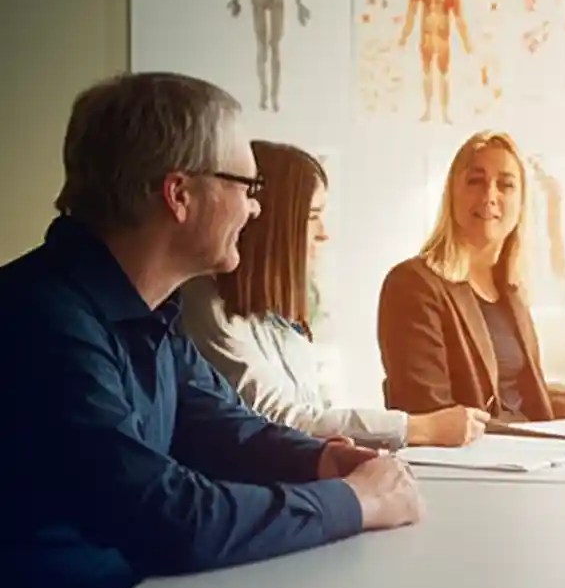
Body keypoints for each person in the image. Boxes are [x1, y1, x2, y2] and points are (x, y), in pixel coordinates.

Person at [0, 73, 422, 588]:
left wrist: (324, 459)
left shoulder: (148, 310)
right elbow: (169, 517)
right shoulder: (44, 320)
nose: (256, 210)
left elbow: (225, 430)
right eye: (248, 187)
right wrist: (357, 500)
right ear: (179, 195)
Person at [181, 140, 489, 450]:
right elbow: (285, 421)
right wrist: (419, 428)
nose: (324, 232)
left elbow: (316, 416)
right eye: (313, 216)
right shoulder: (205, 306)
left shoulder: (279, 317)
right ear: (275, 223)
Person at [377, 130, 565, 421]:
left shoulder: (511, 290)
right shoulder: (413, 285)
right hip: (470, 462)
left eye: (506, 185)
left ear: (521, 203)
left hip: (528, 453)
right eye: (475, 181)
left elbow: (528, 400)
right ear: (452, 193)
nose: (490, 196)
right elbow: (431, 416)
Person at [228, 0, 311, 113]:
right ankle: (264, 93)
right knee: (262, 48)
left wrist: (299, 3)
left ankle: (273, 96)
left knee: (275, 47)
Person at [399, 0, 473, 123]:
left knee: (441, 73)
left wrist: (466, 42)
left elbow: (458, 15)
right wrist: (404, 35)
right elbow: (412, 10)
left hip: (439, 32)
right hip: (430, 31)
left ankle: (442, 112)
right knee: (430, 72)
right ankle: (429, 110)